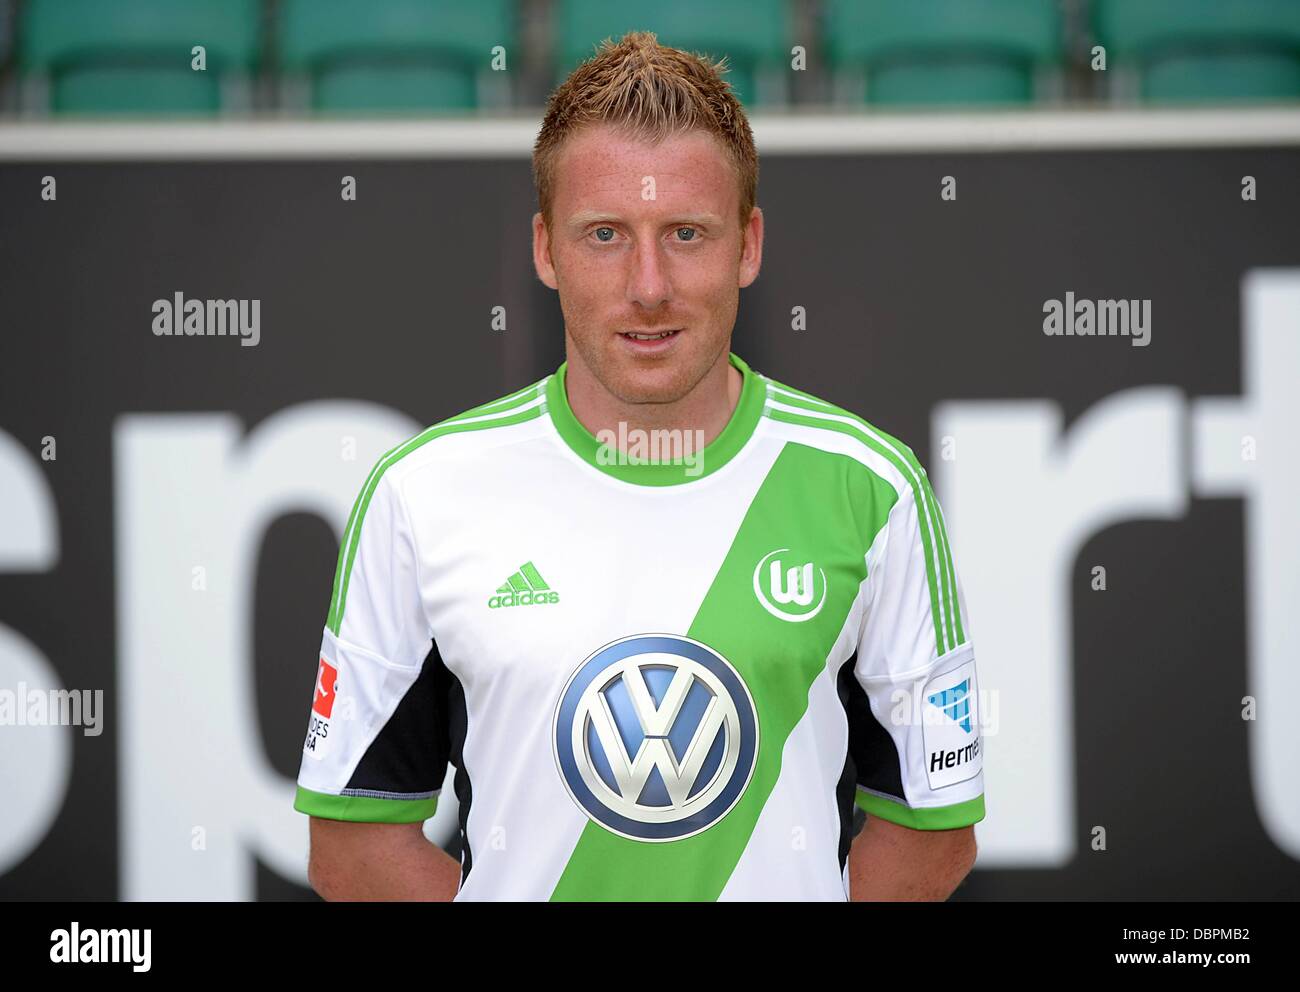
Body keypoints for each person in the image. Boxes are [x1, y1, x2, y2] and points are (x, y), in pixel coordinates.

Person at [294, 30, 984, 901]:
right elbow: (354, 846)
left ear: (749, 244)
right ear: (546, 250)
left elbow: (932, 828)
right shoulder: (421, 494)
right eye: (606, 234)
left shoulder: (873, 488)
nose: (648, 284)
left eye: (687, 233)